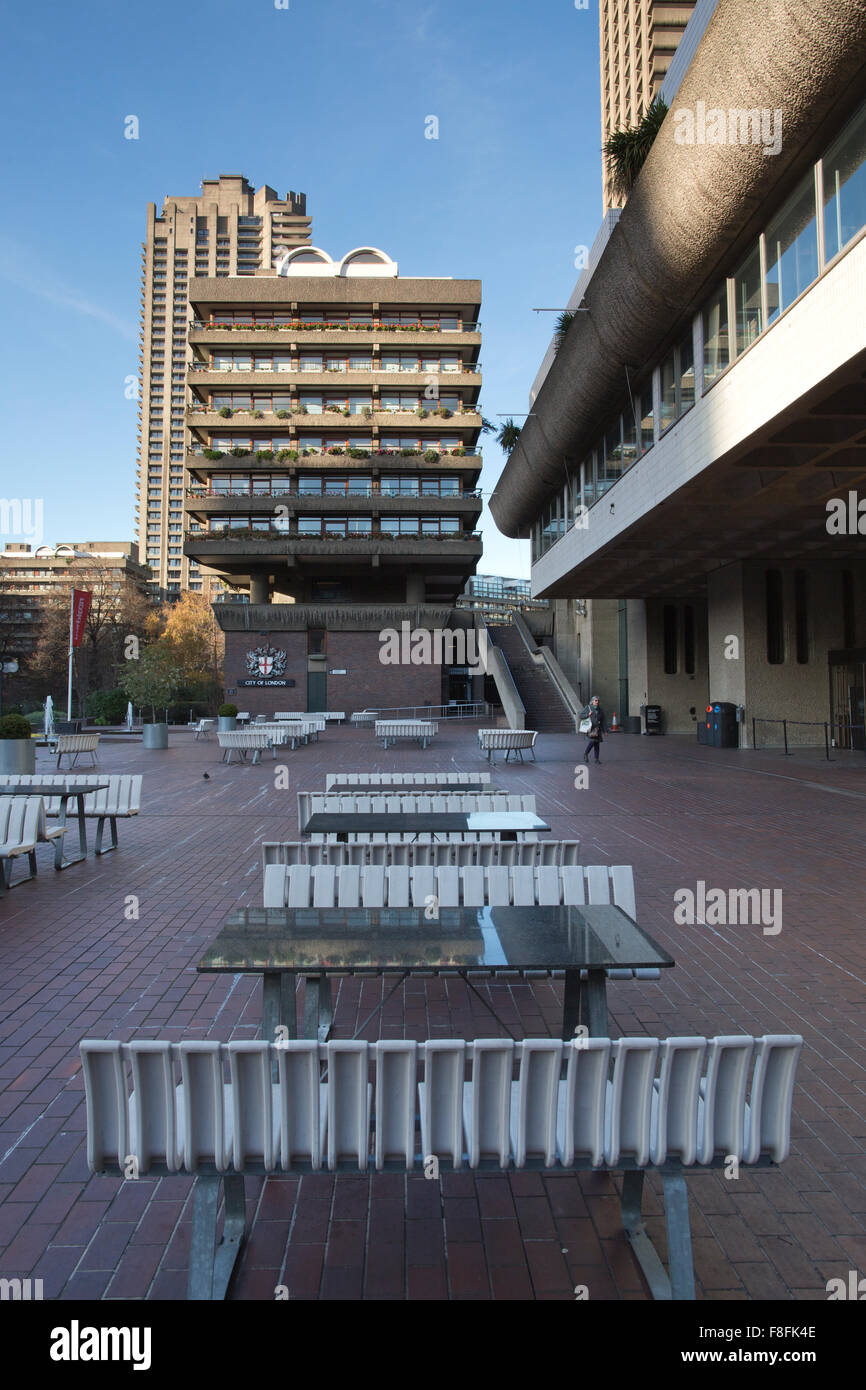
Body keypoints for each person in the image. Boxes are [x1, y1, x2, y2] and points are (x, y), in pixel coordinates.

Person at [581, 695, 606, 763]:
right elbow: (581, 716)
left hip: (598, 729)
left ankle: (596, 759)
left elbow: (603, 720)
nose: (597, 702)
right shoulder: (588, 707)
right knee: (592, 742)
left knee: (597, 744)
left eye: (598, 701)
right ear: (592, 701)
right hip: (591, 728)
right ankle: (586, 753)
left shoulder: (600, 710)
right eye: (596, 700)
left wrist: (605, 730)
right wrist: (588, 714)